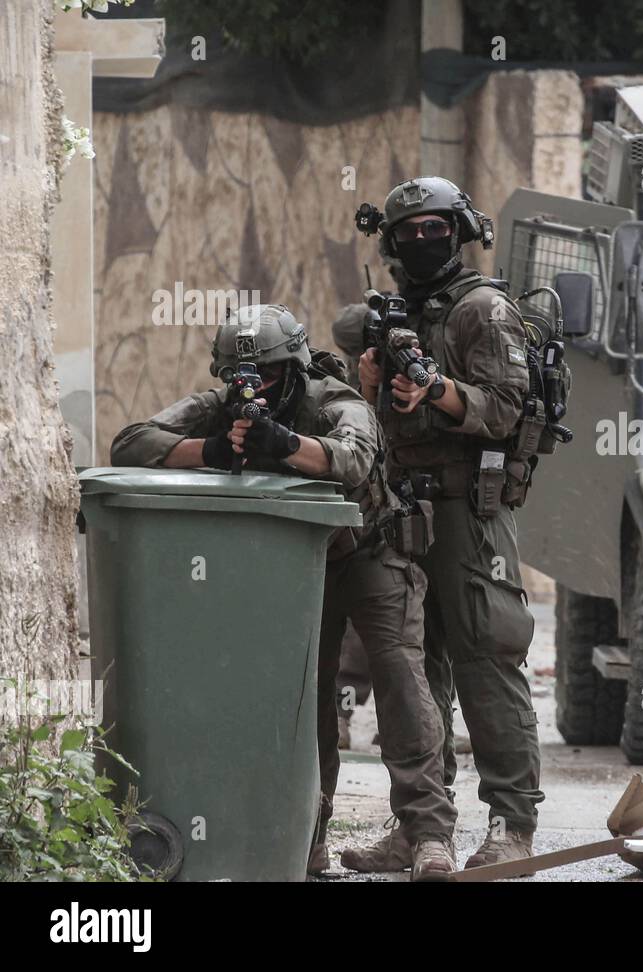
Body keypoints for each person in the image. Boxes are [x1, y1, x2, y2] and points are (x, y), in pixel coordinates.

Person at [109, 303, 458, 881]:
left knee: (399, 678)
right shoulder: (221, 407)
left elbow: (353, 457)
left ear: (293, 367)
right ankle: (307, 835)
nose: (256, 389)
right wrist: (214, 450)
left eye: (268, 377)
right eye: (244, 379)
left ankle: (428, 834)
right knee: (303, 698)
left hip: (370, 551)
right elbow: (131, 442)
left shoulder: (330, 398)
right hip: (295, 563)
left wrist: (285, 442)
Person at [350, 177, 543, 870]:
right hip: (402, 509)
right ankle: (422, 827)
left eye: (437, 228)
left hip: (469, 510)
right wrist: (373, 382)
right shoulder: (399, 313)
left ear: (460, 231)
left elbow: (507, 408)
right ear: (392, 242)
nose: (423, 241)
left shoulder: (483, 311)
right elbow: (369, 425)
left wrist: (440, 389)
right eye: (410, 231)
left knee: (487, 661)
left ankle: (512, 824)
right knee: (412, 674)